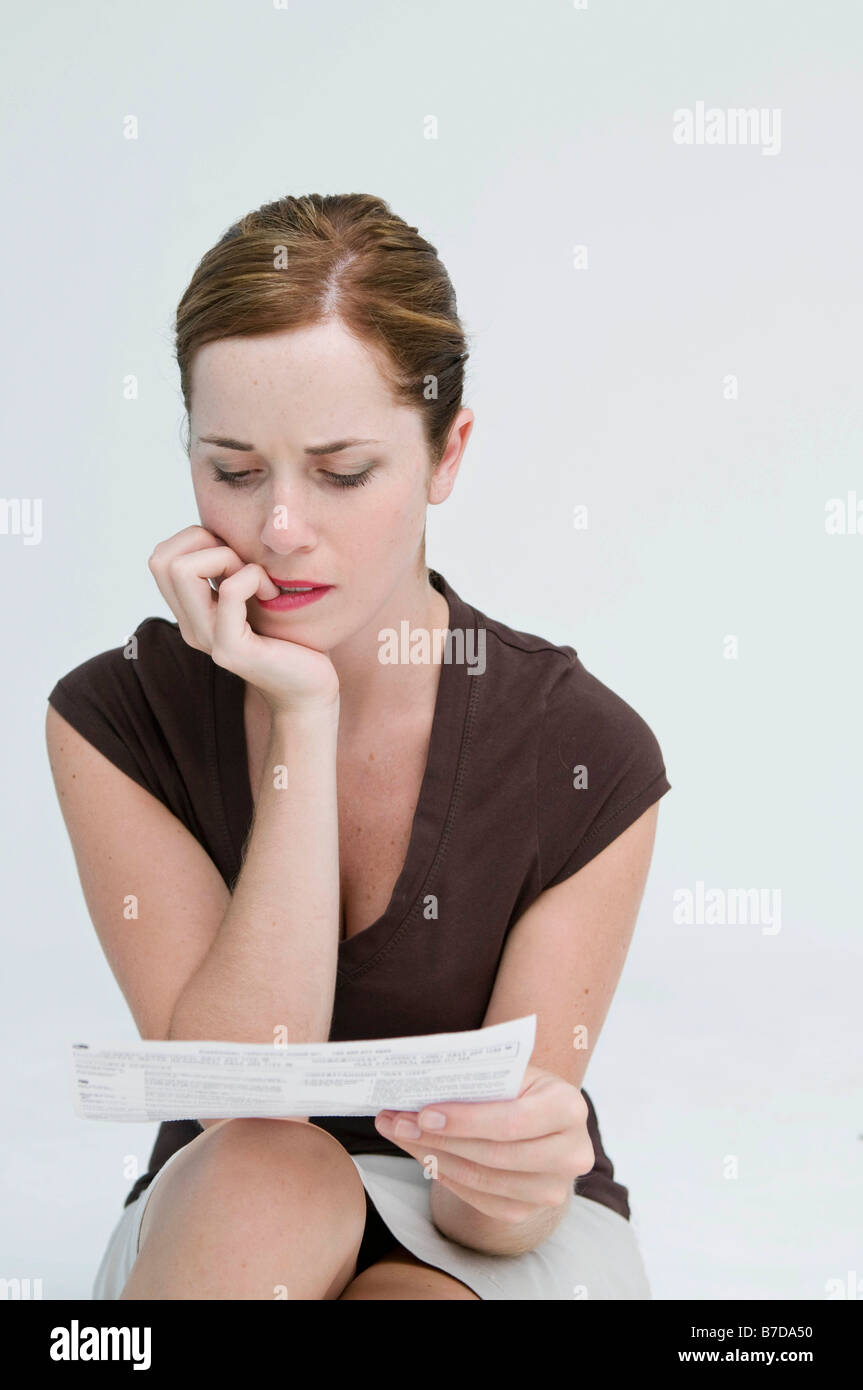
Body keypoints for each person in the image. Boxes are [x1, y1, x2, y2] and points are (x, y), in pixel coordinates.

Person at [45, 192, 670, 1300]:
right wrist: (302, 712)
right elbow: (242, 1089)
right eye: (233, 470)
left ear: (445, 453)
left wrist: (519, 1172)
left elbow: (486, 1205)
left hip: (489, 1235)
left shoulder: (585, 750)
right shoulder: (116, 717)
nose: (280, 527)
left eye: (341, 473)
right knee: (270, 1171)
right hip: (229, 1205)